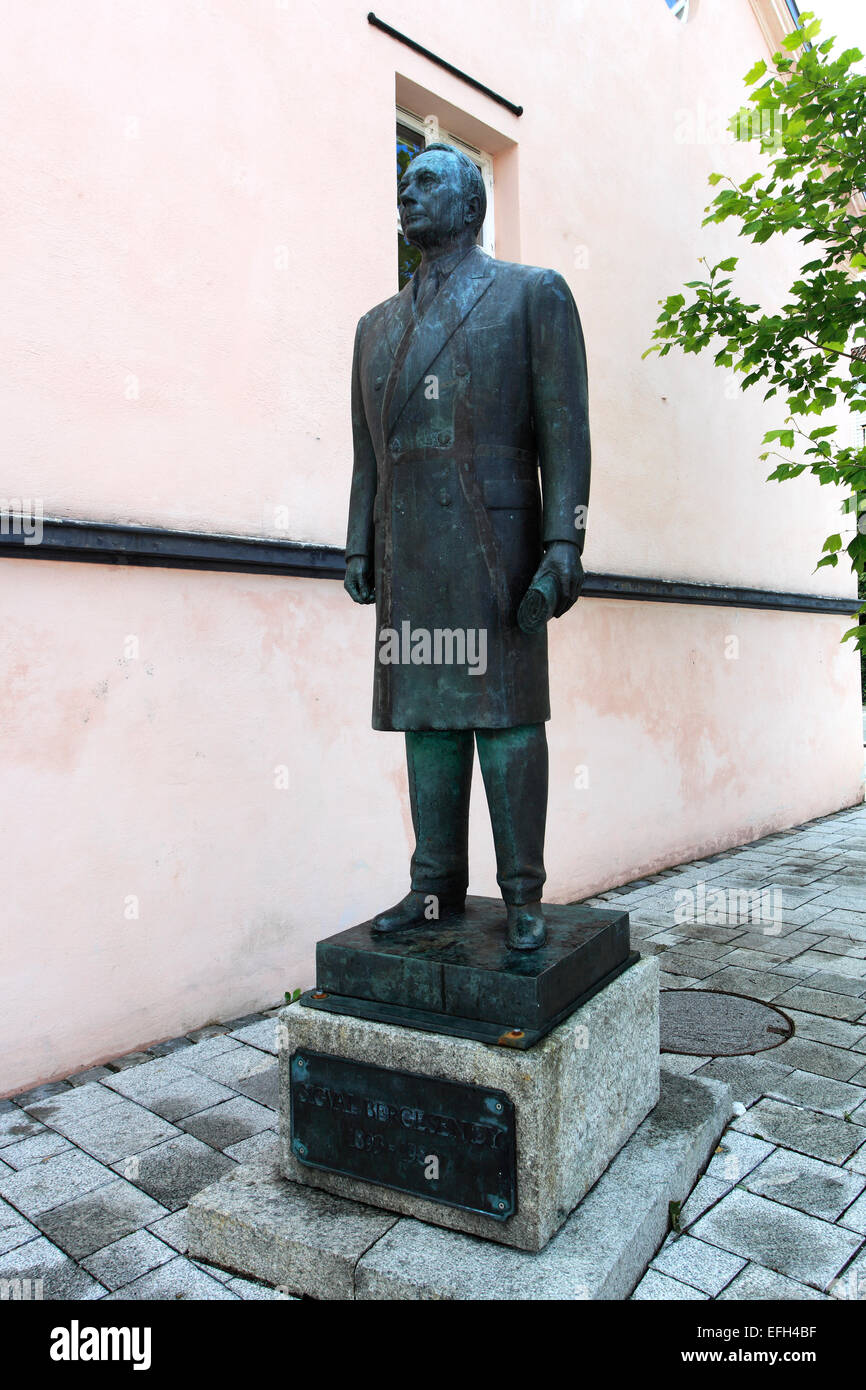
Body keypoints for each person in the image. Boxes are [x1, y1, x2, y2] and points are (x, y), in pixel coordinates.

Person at [345, 143, 590, 950]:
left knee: (508, 720)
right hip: (411, 550)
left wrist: (564, 546)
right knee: (430, 724)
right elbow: (368, 454)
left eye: (425, 182)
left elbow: (566, 433)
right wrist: (358, 547)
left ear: (471, 203)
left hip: (497, 548)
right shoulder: (374, 326)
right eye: (401, 185)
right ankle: (433, 888)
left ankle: (523, 895)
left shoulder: (531, 294)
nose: (404, 196)